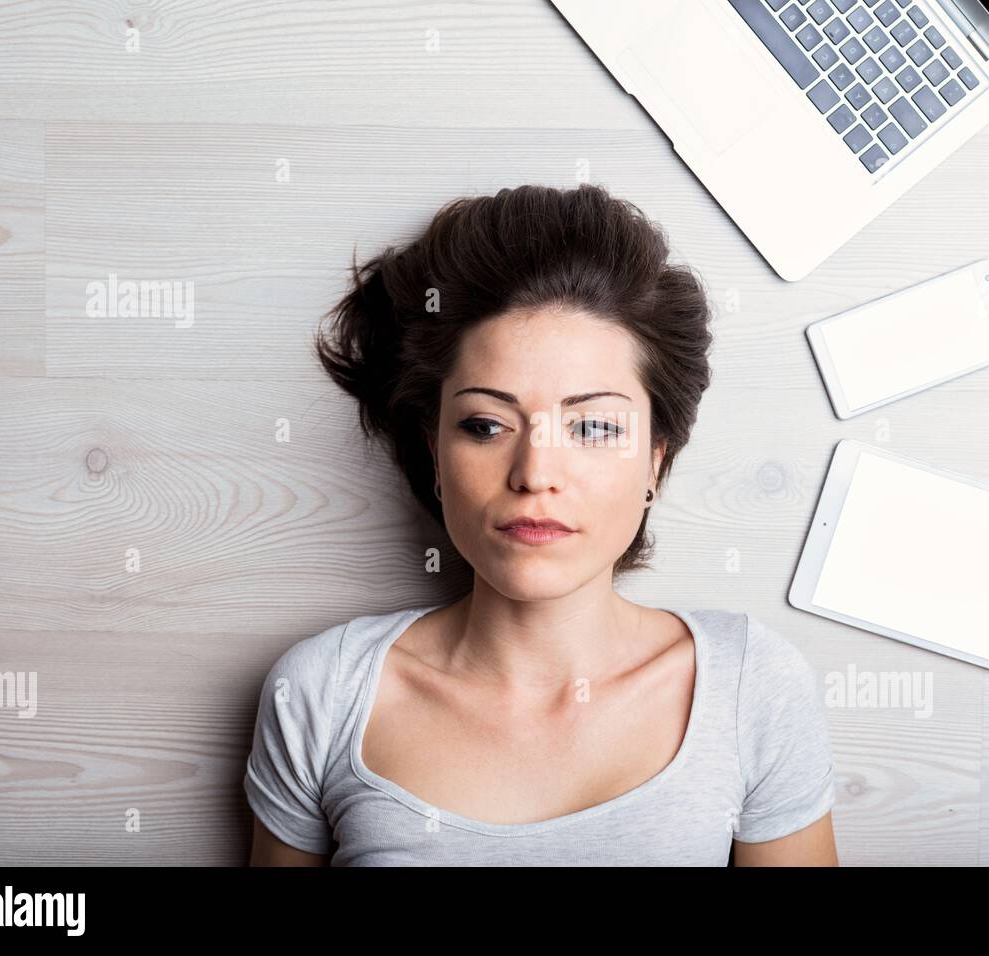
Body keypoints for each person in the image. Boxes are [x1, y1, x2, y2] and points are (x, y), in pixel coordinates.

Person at [244, 182, 837, 866]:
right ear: (436, 452)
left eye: (592, 426)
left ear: (654, 459)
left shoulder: (750, 686)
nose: (535, 472)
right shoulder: (322, 691)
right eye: (486, 424)